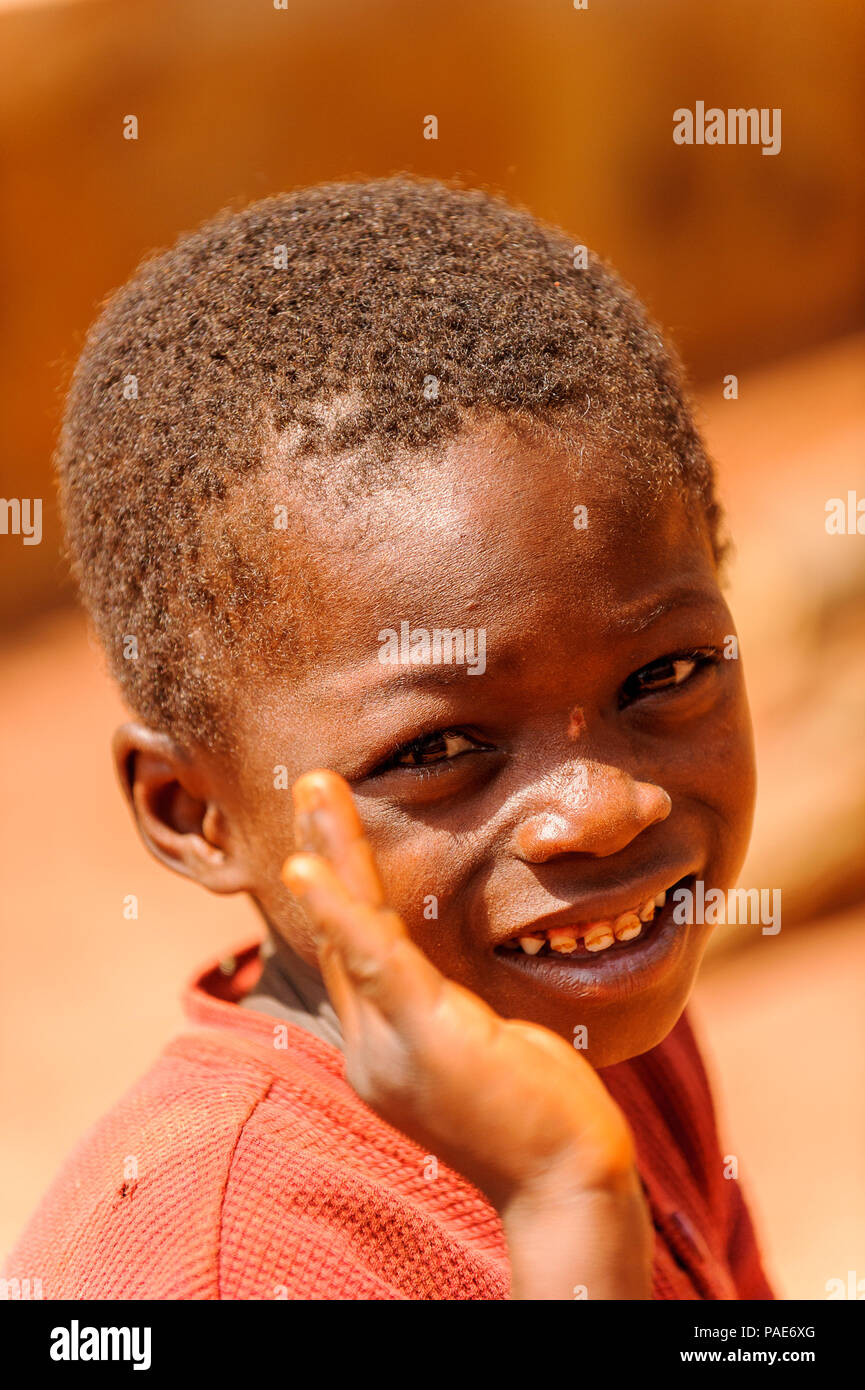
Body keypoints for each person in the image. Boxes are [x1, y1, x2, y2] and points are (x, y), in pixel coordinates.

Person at [4, 177, 773, 1300]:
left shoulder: (583, 1005)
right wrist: (566, 1206)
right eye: (436, 748)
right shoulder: (216, 1266)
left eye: (664, 675)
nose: (606, 811)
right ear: (193, 810)